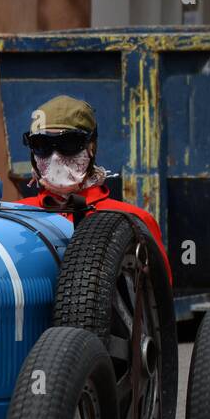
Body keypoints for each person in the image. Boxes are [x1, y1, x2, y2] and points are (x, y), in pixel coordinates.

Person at [22, 94, 172, 280]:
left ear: (91, 146)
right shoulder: (15, 214)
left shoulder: (131, 220)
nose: (55, 156)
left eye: (69, 143)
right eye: (41, 144)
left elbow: (157, 298)